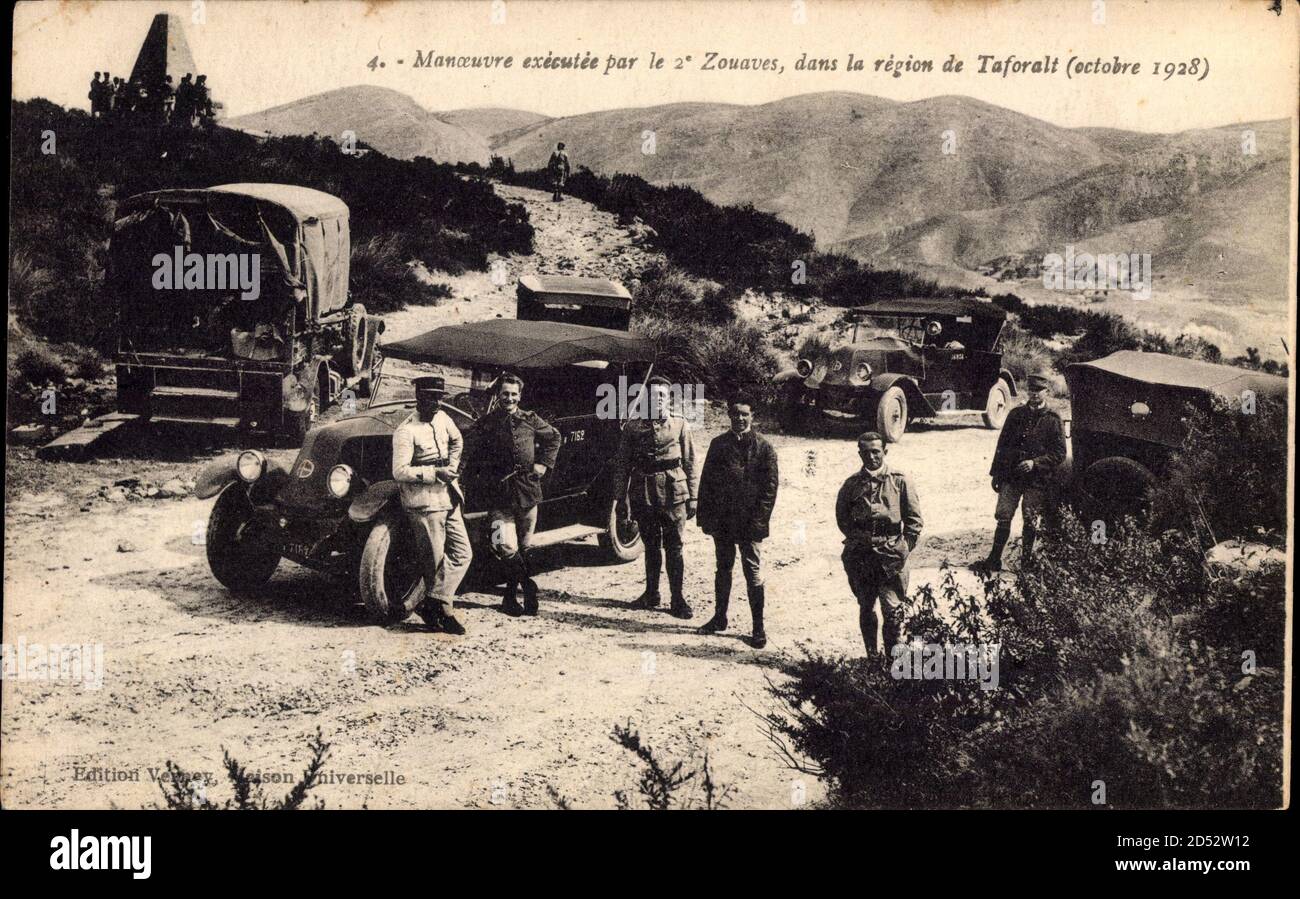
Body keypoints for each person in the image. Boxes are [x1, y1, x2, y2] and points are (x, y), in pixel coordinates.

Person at [462, 374, 561, 616]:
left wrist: (543, 465)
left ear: (520, 396)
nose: (509, 398)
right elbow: (467, 450)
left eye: (514, 394)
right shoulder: (486, 423)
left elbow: (554, 437)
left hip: (528, 492)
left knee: (525, 547)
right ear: (498, 395)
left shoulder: (530, 419)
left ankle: (509, 598)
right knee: (504, 546)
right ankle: (528, 587)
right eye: (505, 393)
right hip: (498, 495)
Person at [695, 392, 779, 648]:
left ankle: (758, 628)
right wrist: (705, 518)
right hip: (723, 520)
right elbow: (706, 482)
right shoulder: (718, 444)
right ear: (729, 416)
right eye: (736, 414)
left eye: (745, 414)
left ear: (752, 416)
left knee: (752, 572)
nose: (740, 418)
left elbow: (770, 489)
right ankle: (720, 617)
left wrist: (759, 521)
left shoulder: (764, 448)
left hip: (750, 522)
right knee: (723, 568)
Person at [611, 376, 698, 619]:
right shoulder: (633, 427)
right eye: (652, 396)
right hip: (643, 491)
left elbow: (690, 462)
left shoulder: (680, 424)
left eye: (661, 395)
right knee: (651, 545)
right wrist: (621, 499)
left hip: (674, 492)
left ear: (668, 398)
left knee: (675, 547)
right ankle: (651, 593)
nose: (657, 400)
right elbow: (622, 466)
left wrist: (694, 497)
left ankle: (677, 599)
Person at [392, 376, 473, 635]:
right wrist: (436, 472)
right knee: (435, 563)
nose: (436, 402)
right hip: (424, 503)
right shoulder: (406, 430)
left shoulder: (443, 418)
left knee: (463, 553)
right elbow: (400, 471)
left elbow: (458, 440)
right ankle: (444, 613)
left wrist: (453, 466)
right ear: (418, 398)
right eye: (430, 397)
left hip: (449, 497)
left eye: (439, 397)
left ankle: (430, 602)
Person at [836, 431, 923, 655]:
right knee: (866, 607)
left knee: (892, 610)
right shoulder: (851, 485)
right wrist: (858, 540)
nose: (871, 457)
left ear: (885, 451)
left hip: (891, 555)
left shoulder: (900, 480)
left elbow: (914, 522)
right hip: (861, 557)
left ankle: (892, 661)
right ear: (859, 454)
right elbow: (843, 518)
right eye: (866, 452)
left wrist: (902, 549)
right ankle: (872, 657)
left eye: (876, 451)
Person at [973, 367, 1066, 572]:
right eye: (1031, 390)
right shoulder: (1015, 415)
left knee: (1030, 520)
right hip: (1012, 477)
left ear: (1047, 392)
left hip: (1036, 480)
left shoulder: (1053, 419)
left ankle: (1025, 562)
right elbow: (1002, 446)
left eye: (1039, 390)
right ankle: (994, 559)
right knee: (1003, 515)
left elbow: (1059, 453)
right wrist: (996, 474)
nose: (1034, 394)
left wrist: (1036, 463)